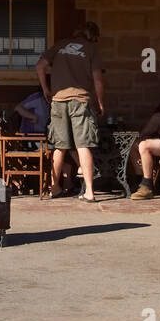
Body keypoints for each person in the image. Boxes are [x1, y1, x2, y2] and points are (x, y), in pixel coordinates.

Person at [35, 21, 105, 201]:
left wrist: (45, 89)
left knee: (60, 147)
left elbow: (40, 66)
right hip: (81, 100)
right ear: (93, 36)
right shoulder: (91, 49)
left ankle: (54, 187)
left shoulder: (60, 45)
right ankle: (89, 191)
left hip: (58, 101)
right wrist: (100, 102)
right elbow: (98, 79)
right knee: (83, 145)